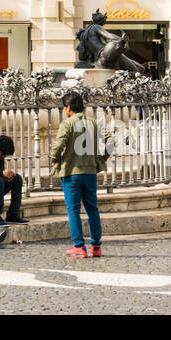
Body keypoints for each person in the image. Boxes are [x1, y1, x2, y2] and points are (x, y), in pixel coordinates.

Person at [51, 92, 111, 258]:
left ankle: (79, 246)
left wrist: (54, 159)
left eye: (64, 108)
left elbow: (59, 143)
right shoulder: (93, 123)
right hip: (90, 172)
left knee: (73, 210)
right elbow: (111, 141)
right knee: (93, 209)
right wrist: (102, 158)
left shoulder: (67, 124)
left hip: (72, 172)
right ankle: (96, 246)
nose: (64, 111)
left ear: (68, 108)